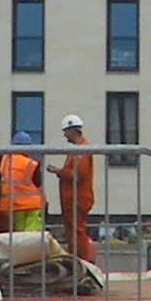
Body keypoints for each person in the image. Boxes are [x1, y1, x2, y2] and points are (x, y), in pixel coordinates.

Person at [55, 113, 98, 265]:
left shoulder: (81, 150)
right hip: (72, 199)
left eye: (66, 131)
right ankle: (78, 262)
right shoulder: (77, 150)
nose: (65, 135)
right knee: (74, 232)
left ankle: (83, 263)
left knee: (77, 232)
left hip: (77, 198)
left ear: (72, 130)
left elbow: (77, 175)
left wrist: (58, 172)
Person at [0, 144, 44, 235]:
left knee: (19, 233)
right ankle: (31, 249)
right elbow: (37, 183)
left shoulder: (5, 160)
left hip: (13, 204)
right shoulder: (31, 163)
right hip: (32, 204)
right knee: (33, 234)